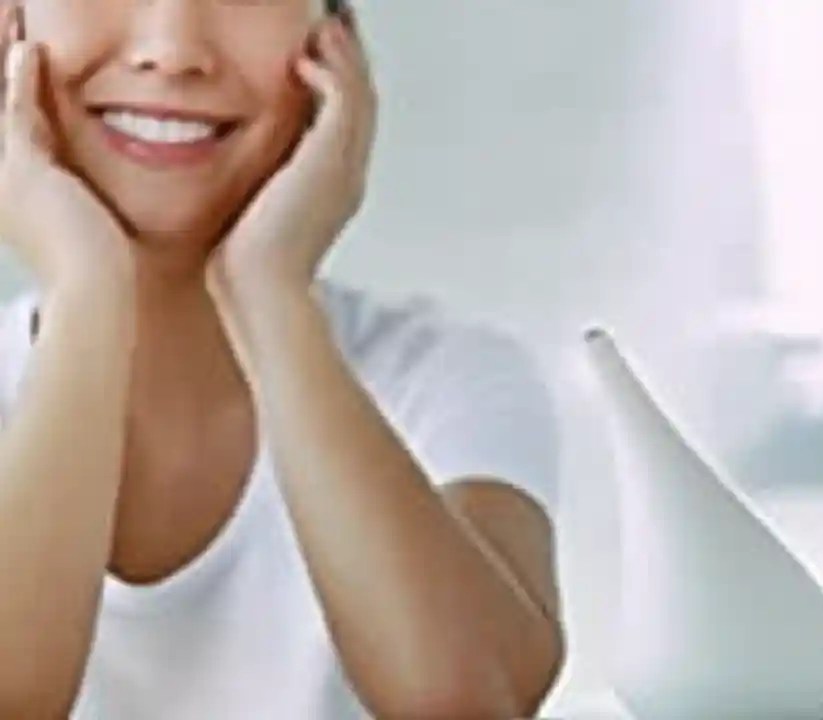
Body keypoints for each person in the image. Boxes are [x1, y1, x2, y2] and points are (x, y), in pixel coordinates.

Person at [0, 0, 565, 717]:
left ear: (334, 44)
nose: (172, 49)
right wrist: (86, 294)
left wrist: (270, 292)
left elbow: (467, 701)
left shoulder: (446, 378)